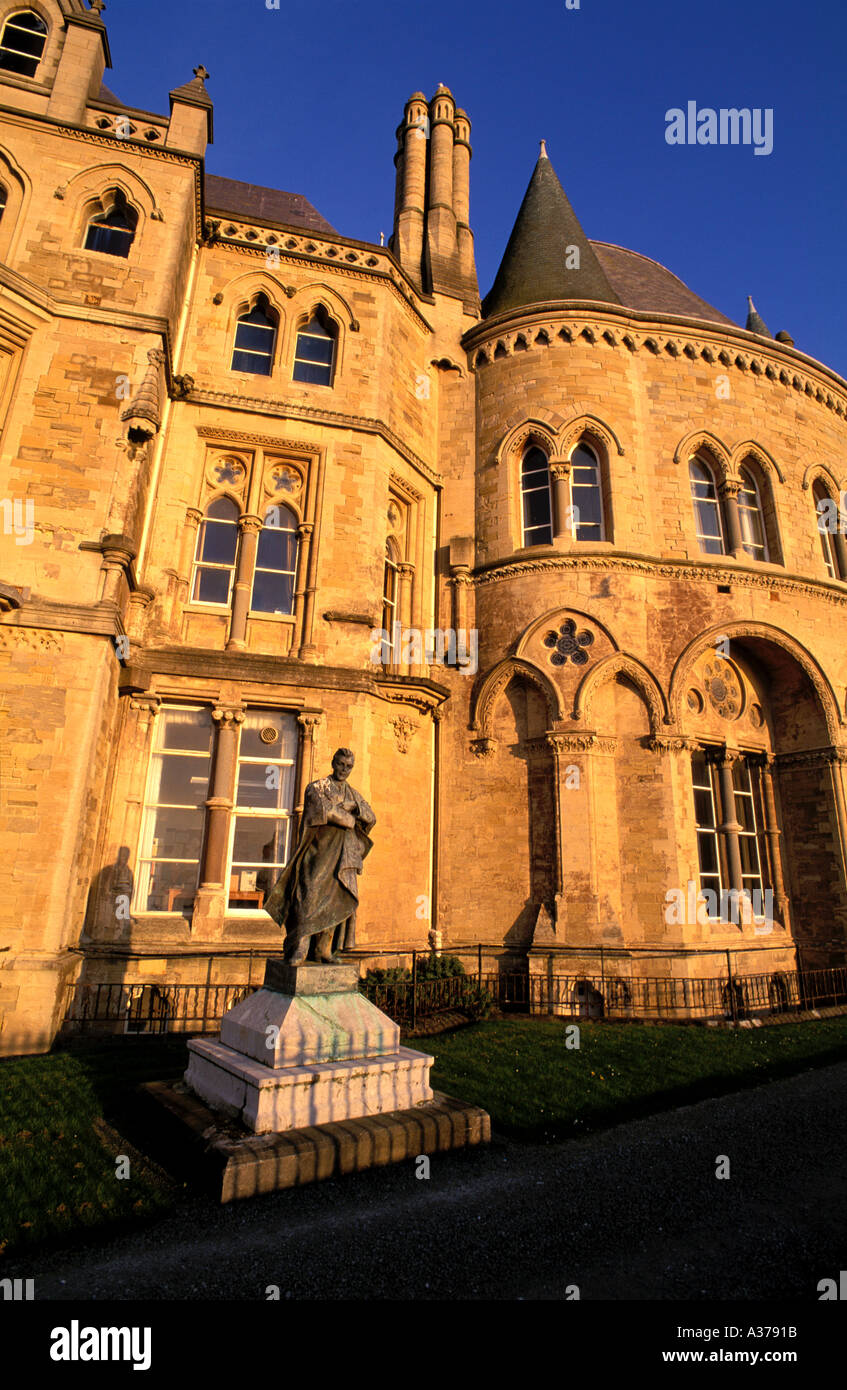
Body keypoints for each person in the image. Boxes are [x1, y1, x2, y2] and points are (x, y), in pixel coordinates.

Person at [264, 747, 375, 964]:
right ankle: (299, 948)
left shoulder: (352, 793)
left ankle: (323, 950)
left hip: (343, 859)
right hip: (317, 854)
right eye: (341, 764)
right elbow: (331, 814)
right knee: (308, 898)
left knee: (338, 900)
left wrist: (350, 807)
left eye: (349, 766)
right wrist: (348, 812)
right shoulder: (317, 788)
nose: (344, 770)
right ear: (333, 763)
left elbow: (370, 817)